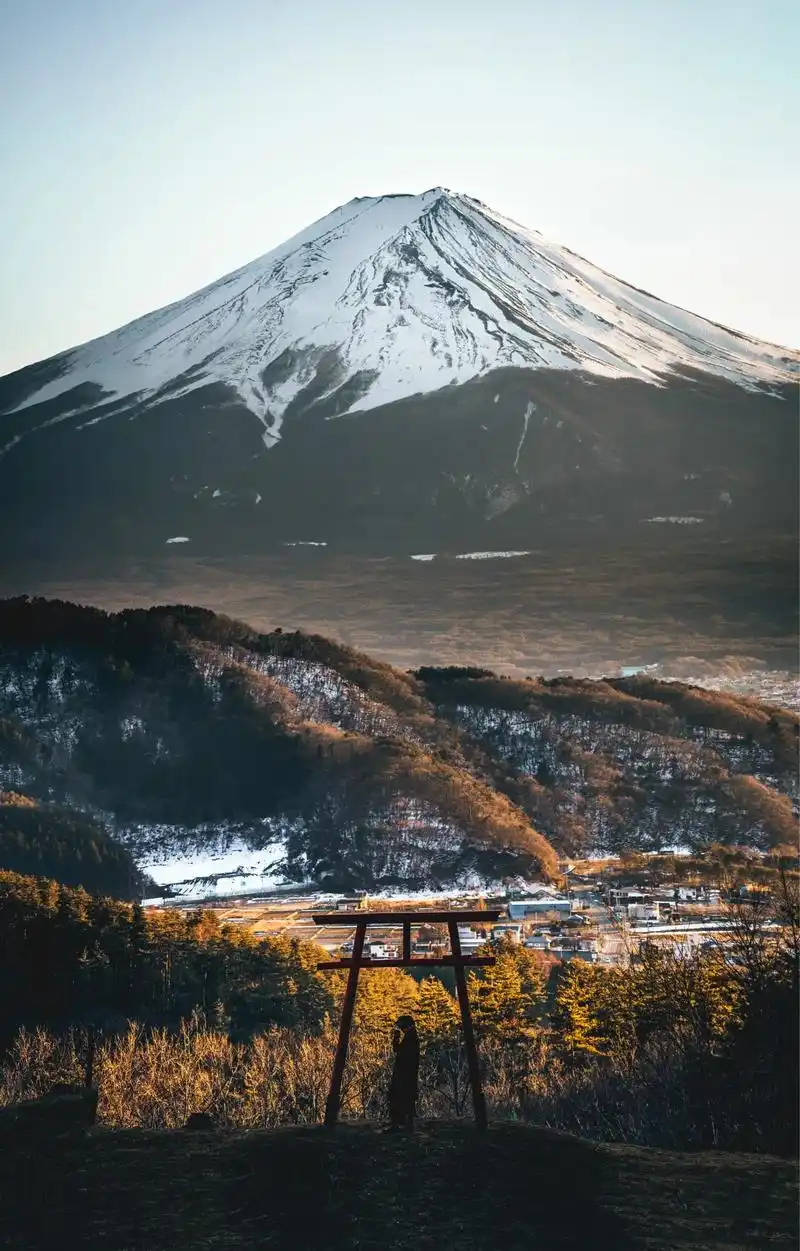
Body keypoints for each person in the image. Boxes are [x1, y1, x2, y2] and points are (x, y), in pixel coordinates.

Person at [387, 1014, 420, 1131]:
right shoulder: (411, 1036)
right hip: (408, 1074)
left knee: (400, 1098)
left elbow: (399, 1050)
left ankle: (400, 1123)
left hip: (404, 1074)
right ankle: (405, 1123)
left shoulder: (411, 1038)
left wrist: (396, 1037)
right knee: (406, 1099)